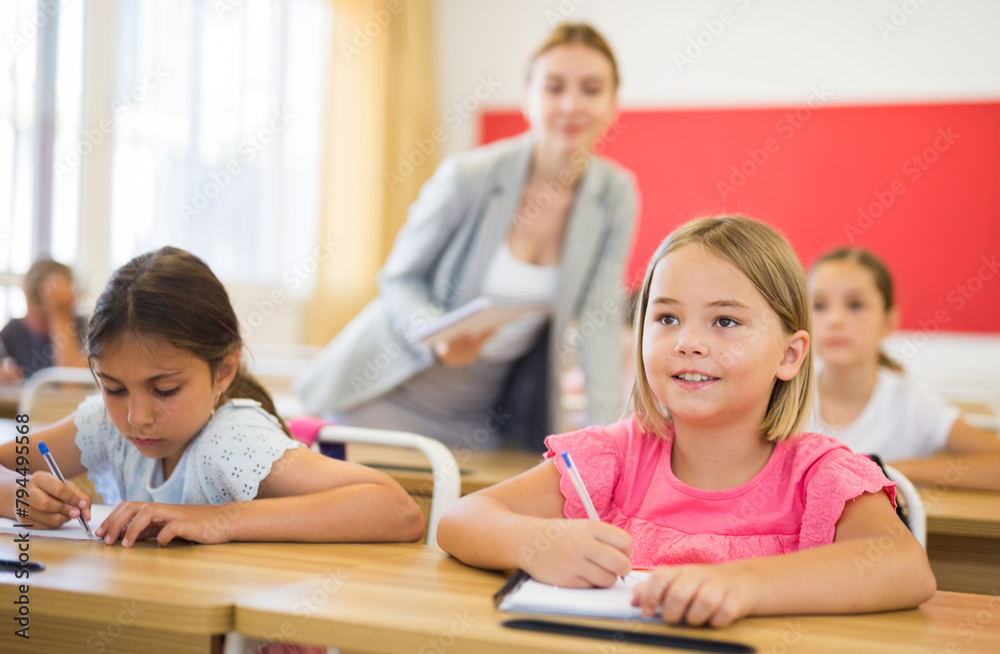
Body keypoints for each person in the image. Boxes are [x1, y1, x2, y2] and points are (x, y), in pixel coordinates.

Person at [437, 216, 935, 627]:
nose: (687, 343)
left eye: (724, 321)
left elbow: (905, 568)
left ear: (790, 354)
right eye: (667, 318)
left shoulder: (818, 476)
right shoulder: (612, 457)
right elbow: (460, 519)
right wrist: (536, 545)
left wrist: (744, 585)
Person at [294, 23, 639, 451]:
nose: (571, 104)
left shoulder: (615, 194)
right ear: (529, 94)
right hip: (389, 390)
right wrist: (435, 334)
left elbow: (600, 319)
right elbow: (399, 279)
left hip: (482, 418)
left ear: (612, 101)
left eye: (591, 89)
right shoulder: (469, 177)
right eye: (554, 88)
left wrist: (610, 440)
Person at [0, 247, 424, 547]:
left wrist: (221, 519)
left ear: (223, 371)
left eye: (164, 389)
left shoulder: (231, 439)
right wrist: (15, 497)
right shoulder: (105, 423)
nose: (136, 417)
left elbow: (398, 510)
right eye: (112, 388)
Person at [808, 248, 1000, 491]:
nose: (834, 319)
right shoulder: (786, 396)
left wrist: (892, 470)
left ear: (888, 322)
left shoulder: (908, 402)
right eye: (819, 305)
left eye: (855, 305)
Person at [0, 258, 88, 381]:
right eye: (31, 313)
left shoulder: (84, 328)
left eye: (45, 318)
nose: (35, 324)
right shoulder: (14, 330)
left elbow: (73, 385)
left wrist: (60, 316)